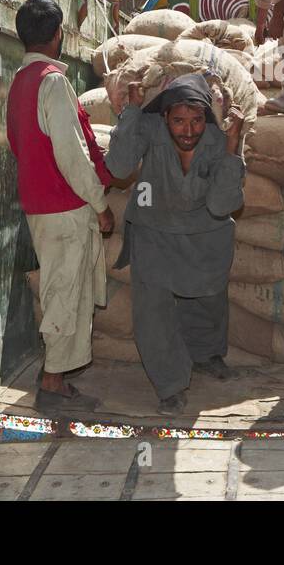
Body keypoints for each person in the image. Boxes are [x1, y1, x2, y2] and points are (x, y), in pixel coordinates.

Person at [104, 73, 247, 415]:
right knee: (153, 312)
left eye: (196, 121)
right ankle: (169, 385)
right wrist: (132, 112)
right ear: (164, 116)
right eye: (179, 121)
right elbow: (118, 166)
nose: (188, 131)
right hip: (153, 232)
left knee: (207, 298)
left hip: (205, 235)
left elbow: (221, 205)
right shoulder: (150, 129)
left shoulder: (216, 139)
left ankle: (206, 356)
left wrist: (231, 148)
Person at [5, 0, 115, 411]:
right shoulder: (51, 81)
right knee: (66, 292)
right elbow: (72, 155)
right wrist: (100, 203)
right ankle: (53, 381)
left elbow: (21, 144)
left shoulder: (19, 82)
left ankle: (55, 373)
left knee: (60, 288)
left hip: (40, 205)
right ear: (58, 36)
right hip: (65, 206)